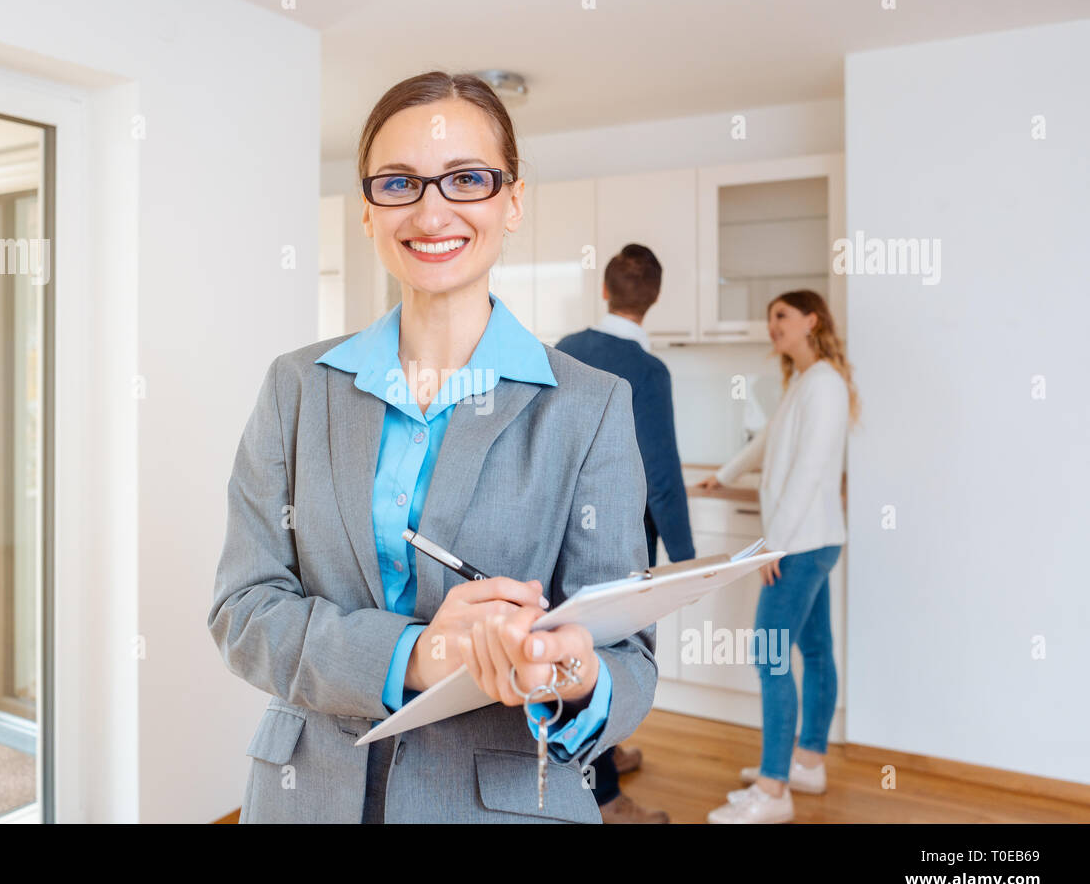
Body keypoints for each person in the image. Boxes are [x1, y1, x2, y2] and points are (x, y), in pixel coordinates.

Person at [208, 71, 657, 823]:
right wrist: (421, 653)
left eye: (467, 179)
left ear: (512, 201)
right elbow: (246, 612)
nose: (431, 209)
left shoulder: (591, 406)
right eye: (399, 182)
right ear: (367, 210)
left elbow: (631, 662)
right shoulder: (294, 388)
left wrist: (569, 669)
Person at [695, 290, 858, 823]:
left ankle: (773, 790)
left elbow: (812, 472)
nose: (773, 326)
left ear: (812, 320)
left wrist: (774, 542)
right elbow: (767, 442)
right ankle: (807, 762)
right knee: (813, 649)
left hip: (802, 543)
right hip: (811, 539)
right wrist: (724, 476)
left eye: (781, 316)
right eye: (769, 318)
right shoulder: (806, 382)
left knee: (769, 655)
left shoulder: (825, 385)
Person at [555, 243, 696, 823]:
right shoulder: (648, 371)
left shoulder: (563, 349)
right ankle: (605, 796)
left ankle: (604, 757)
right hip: (622, 535)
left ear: (606, 291)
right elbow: (661, 475)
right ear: (654, 299)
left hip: (560, 528)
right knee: (609, 652)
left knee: (579, 647)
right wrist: (688, 563)